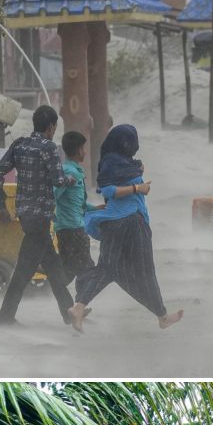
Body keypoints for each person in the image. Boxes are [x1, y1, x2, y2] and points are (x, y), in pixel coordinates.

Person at [68, 125, 184, 333]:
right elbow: (110, 190)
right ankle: (162, 316)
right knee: (145, 271)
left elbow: (112, 184)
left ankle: (79, 307)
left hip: (115, 223)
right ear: (125, 143)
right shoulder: (114, 163)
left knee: (108, 269)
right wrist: (137, 188)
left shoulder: (116, 162)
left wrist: (137, 174)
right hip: (131, 222)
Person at [0, 104, 78, 327]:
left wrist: (1, 206)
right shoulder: (49, 147)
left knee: (53, 266)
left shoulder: (19, 144)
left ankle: (70, 313)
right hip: (41, 215)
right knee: (24, 270)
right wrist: (71, 180)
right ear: (51, 127)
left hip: (25, 214)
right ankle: (6, 318)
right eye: (55, 127)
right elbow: (59, 180)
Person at [53, 130, 97, 290]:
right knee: (87, 268)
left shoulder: (76, 171)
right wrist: (64, 183)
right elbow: (54, 194)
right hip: (71, 228)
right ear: (78, 150)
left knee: (70, 271)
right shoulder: (68, 172)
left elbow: (79, 205)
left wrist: (98, 208)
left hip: (73, 226)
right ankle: (79, 305)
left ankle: (76, 306)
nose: (85, 151)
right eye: (84, 148)